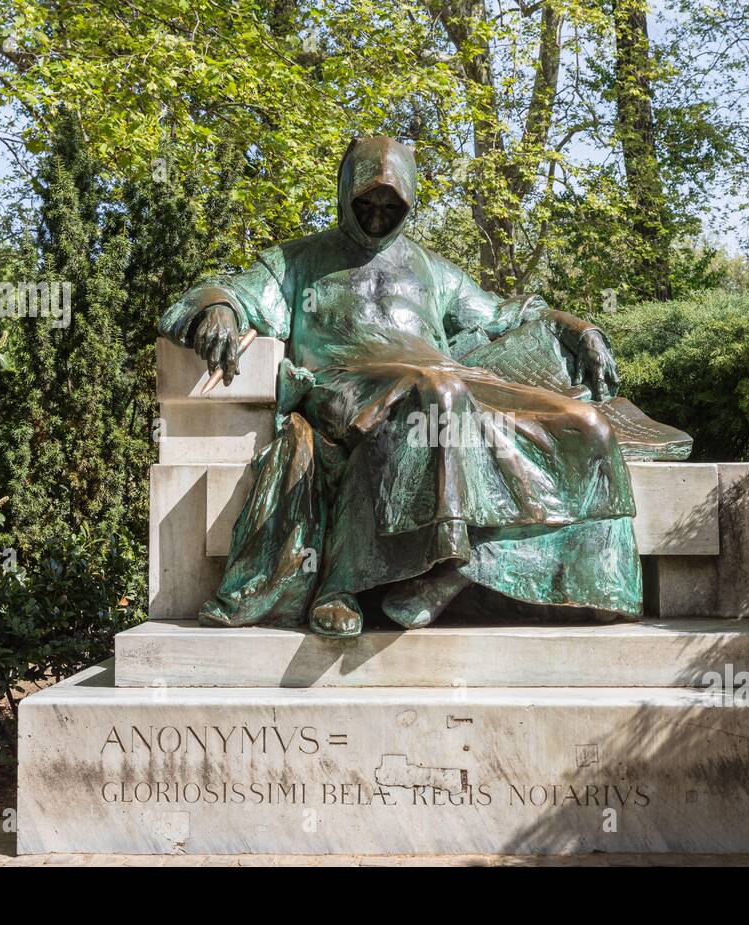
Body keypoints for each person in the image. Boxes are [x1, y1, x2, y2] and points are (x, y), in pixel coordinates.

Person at [159, 136, 644, 637]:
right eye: (364, 203)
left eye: (390, 207)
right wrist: (217, 307)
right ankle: (388, 575)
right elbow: (230, 290)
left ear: (409, 204)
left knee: (587, 425)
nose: (374, 216)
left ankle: (575, 582)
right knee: (437, 392)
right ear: (344, 193)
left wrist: (578, 328)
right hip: (343, 386)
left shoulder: (433, 270)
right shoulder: (295, 261)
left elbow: (507, 314)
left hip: (447, 382)